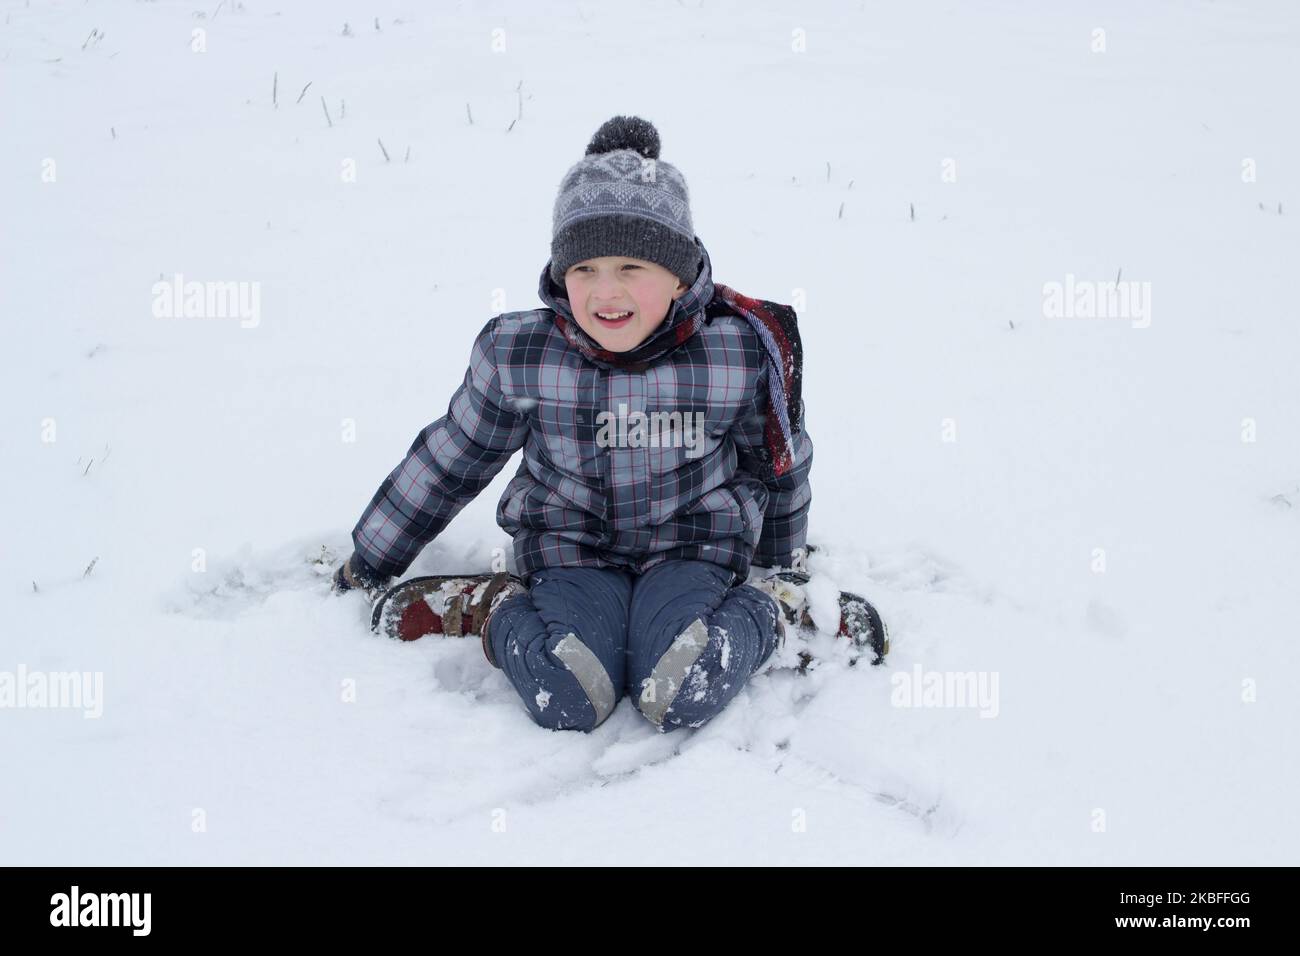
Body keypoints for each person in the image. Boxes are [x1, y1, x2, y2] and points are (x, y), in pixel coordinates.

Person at [333, 115, 816, 733]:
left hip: (695, 551)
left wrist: (781, 565)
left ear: (680, 272)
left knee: (680, 687)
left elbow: (778, 464)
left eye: (632, 268)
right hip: (572, 555)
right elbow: (451, 460)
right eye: (584, 269)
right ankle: (493, 608)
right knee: (568, 693)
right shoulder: (522, 354)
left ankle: (776, 612)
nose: (604, 292)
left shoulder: (737, 353)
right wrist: (370, 559)